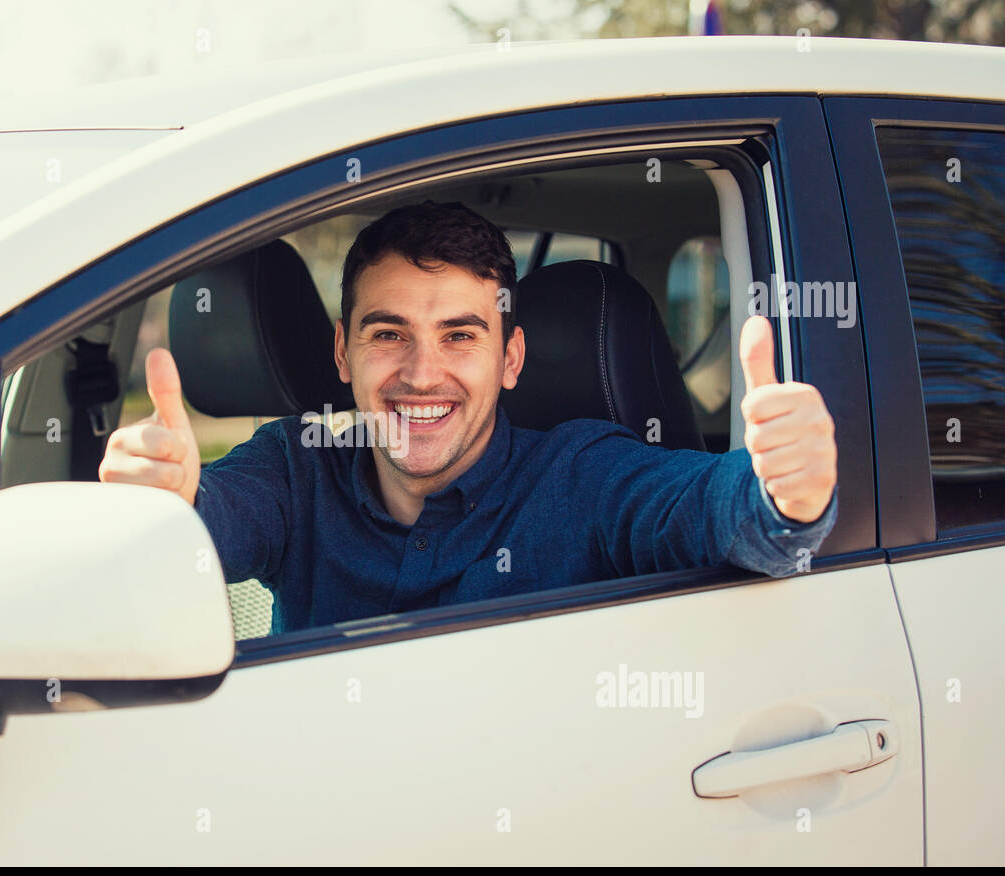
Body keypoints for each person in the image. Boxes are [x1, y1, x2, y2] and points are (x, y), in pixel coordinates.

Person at [99, 201, 838, 632]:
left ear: (510, 359)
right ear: (343, 352)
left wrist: (783, 496)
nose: (422, 374)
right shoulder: (299, 464)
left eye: (460, 335)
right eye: (388, 334)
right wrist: (164, 509)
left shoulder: (582, 476)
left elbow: (712, 512)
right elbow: (211, 521)